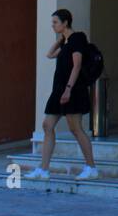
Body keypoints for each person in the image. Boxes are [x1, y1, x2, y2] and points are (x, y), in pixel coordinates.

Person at [25, 9, 98, 181]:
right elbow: (49, 54)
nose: (52, 26)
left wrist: (68, 89)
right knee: (47, 126)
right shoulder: (66, 42)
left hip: (72, 89)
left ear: (65, 23)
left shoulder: (78, 39)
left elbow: (77, 65)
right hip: (58, 90)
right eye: (52, 23)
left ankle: (91, 167)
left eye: (55, 22)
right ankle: (43, 170)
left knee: (75, 129)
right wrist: (60, 40)